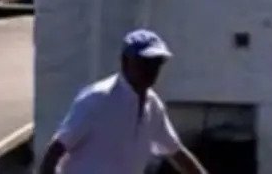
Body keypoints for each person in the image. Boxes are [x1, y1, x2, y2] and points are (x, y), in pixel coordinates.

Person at [37, 29, 210, 174]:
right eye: (144, 62)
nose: (150, 70)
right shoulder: (98, 99)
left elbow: (176, 153)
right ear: (125, 62)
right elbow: (54, 151)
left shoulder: (153, 106)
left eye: (156, 63)